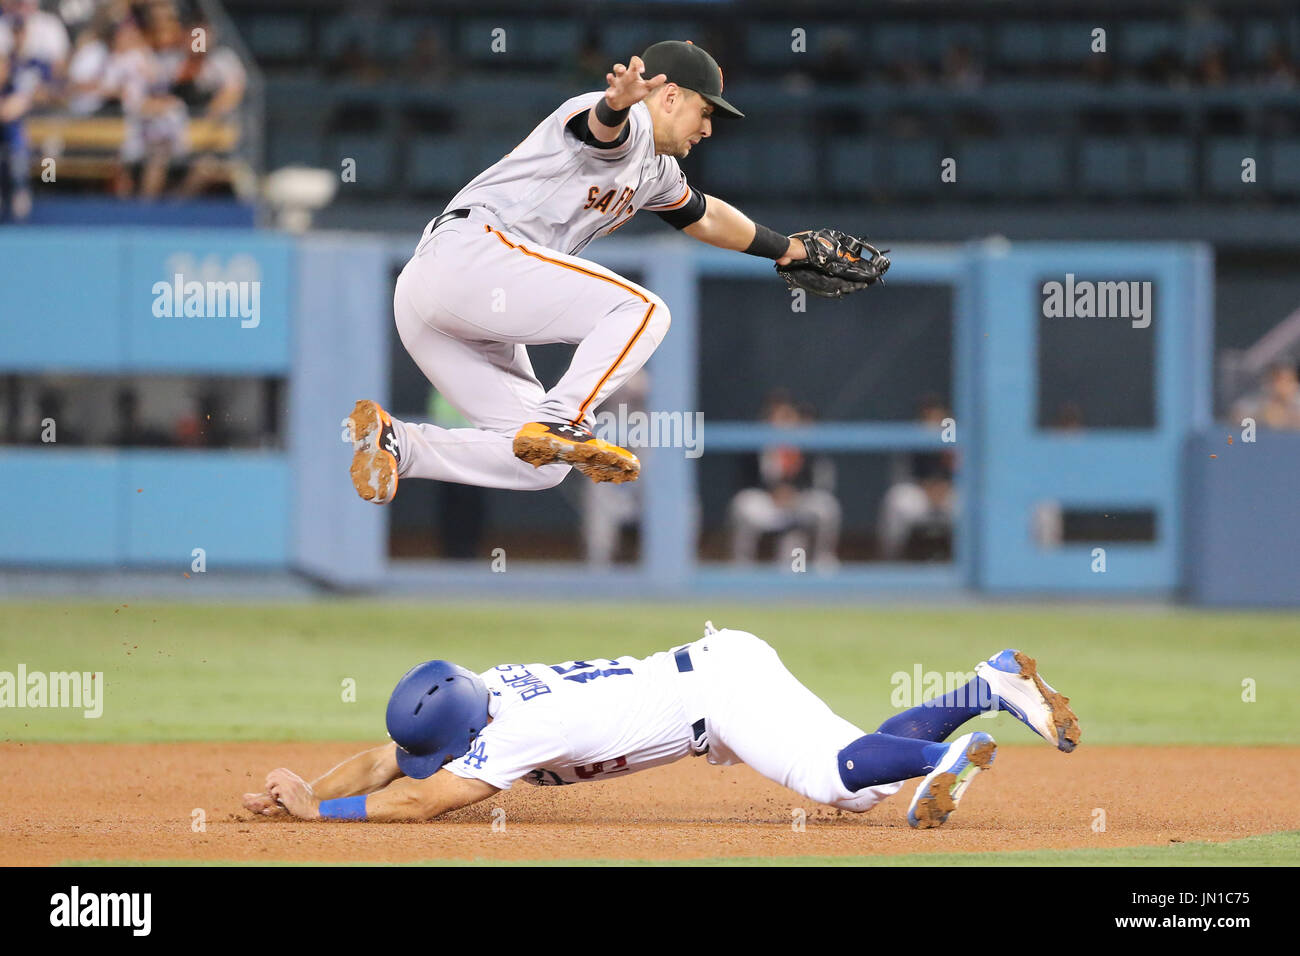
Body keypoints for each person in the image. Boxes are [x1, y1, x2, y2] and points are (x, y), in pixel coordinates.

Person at [345, 41, 878, 503]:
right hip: (470, 257)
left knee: (542, 463)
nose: (710, 127)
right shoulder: (625, 124)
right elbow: (602, 131)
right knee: (643, 309)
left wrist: (785, 249)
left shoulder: (658, 171)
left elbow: (704, 215)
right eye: (705, 111)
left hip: (440, 302)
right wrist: (616, 104)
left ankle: (401, 445)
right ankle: (564, 416)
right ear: (669, 96)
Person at [244, 625, 1080, 829]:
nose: (433, 760)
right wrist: (307, 790)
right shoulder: (481, 691)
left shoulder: (526, 728)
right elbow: (388, 761)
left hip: (716, 694)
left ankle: (944, 756)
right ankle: (988, 686)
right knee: (863, 774)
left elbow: (422, 804)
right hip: (715, 676)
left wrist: (320, 816)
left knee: (836, 781)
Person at [729, 392, 840, 569]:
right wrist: (772, 491)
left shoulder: (804, 444)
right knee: (743, 504)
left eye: (787, 417)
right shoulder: (754, 445)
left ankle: (823, 561)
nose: (782, 423)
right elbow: (745, 481)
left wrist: (794, 492)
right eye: (777, 417)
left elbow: (813, 480)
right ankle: (742, 563)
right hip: (767, 502)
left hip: (797, 503)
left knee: (826, 506)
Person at [1231, 361, 1300, 431]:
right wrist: (1262, 416)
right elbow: (1235, 417)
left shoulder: (1297, 401)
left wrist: (1286, 418)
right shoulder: (1257, 400)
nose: (1282, 386)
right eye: (1277, 381)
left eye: (1288, 381)